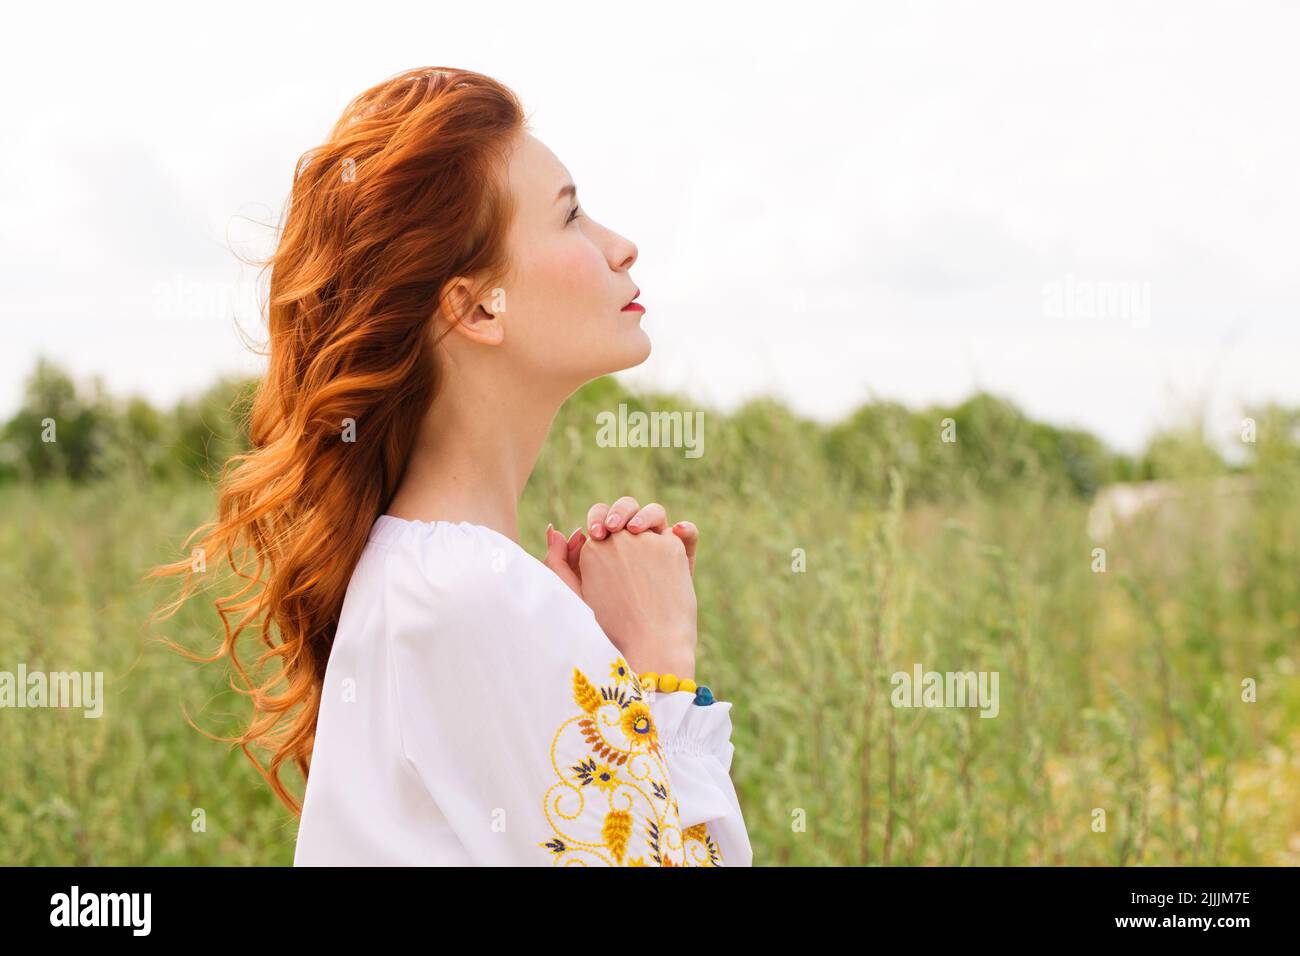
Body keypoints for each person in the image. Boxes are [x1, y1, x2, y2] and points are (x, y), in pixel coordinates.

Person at [155, 67, 751, 866]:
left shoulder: (444, 583)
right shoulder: (469, 594)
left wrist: (586, 652)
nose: (620, 246)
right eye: (571, 216)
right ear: (476, 307)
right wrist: (659, 669)